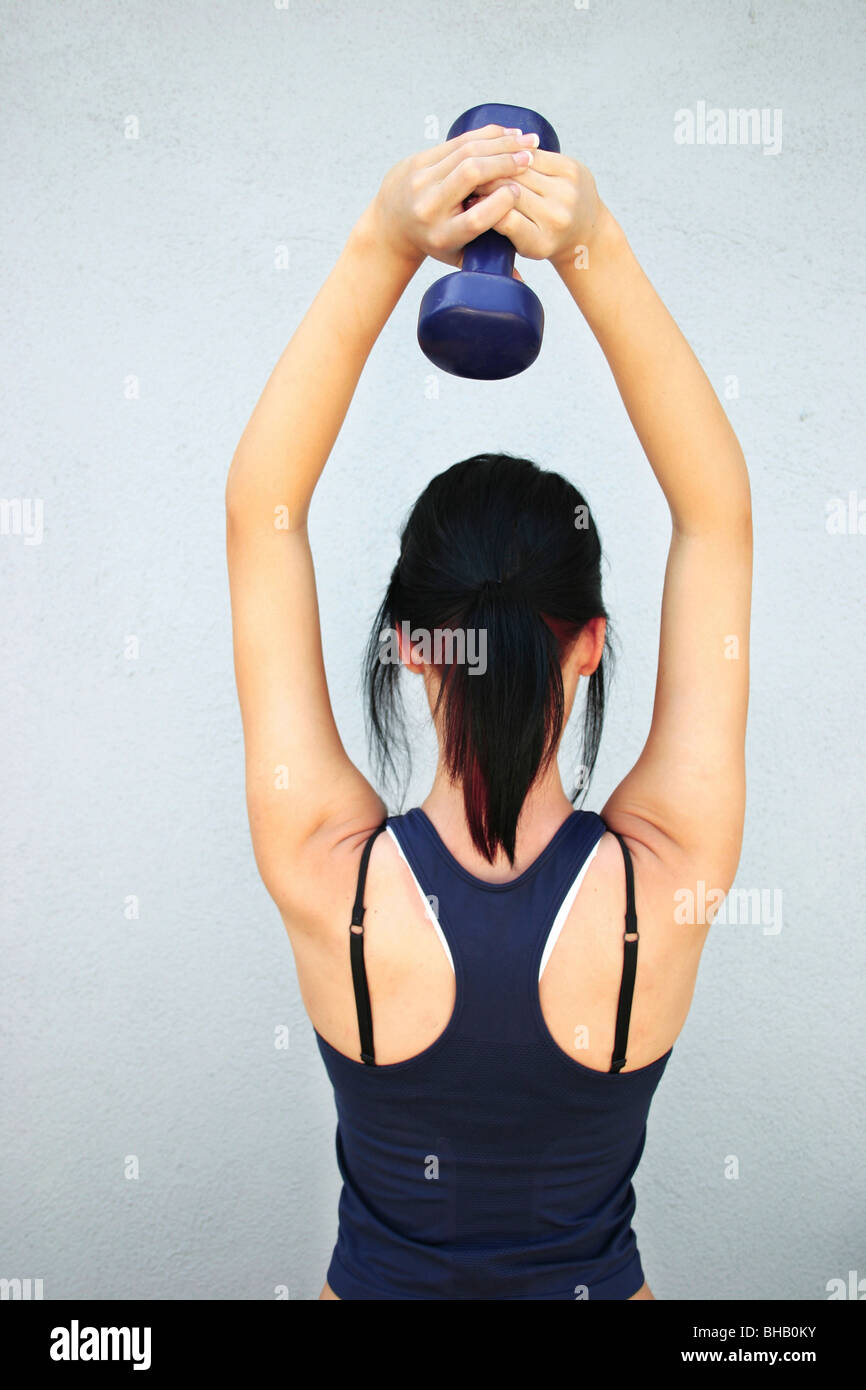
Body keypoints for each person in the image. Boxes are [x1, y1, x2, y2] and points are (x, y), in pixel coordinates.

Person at [225, 124, 752, 1300]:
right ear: (590, 643)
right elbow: (715, 516)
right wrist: (590, 247)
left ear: (409, 646)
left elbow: (261, 508)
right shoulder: (671, 873)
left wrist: (384, 241)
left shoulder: (327, 873)